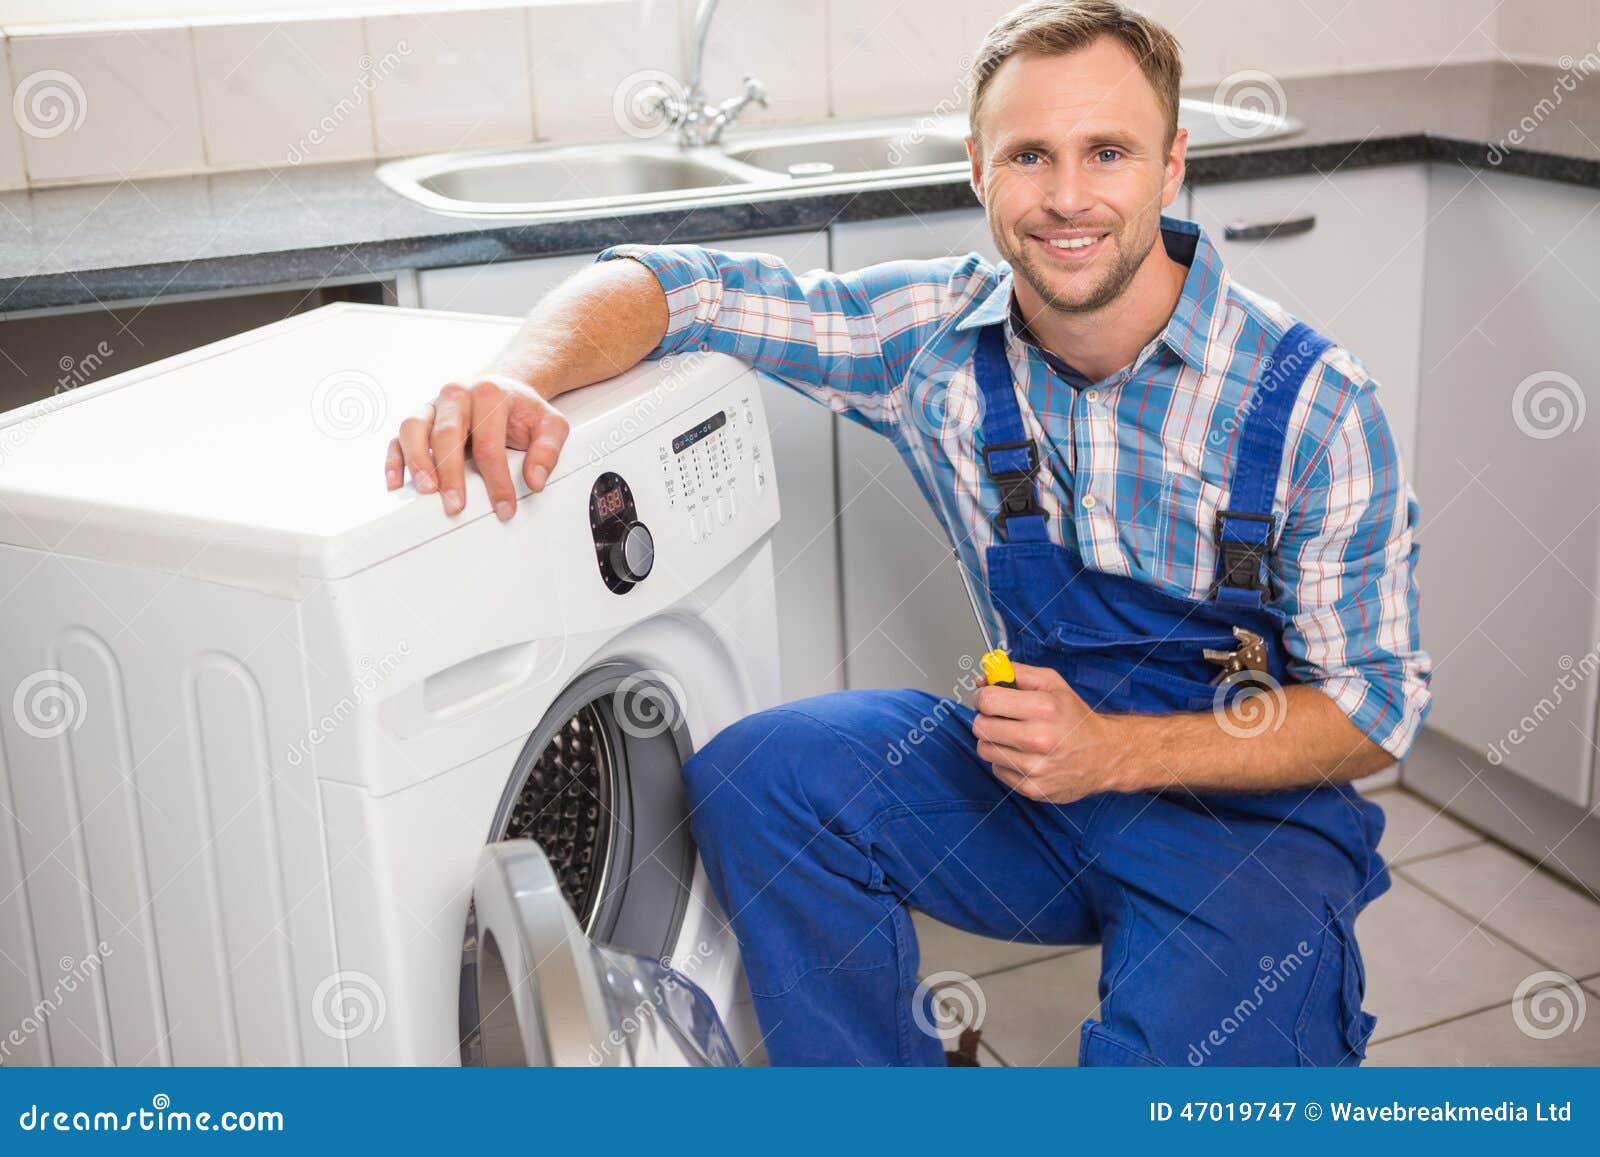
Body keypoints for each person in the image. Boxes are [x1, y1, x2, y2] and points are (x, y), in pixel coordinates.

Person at [385, 0, 1429, 1067]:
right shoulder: (934, 341)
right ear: (978, 168)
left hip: (1241, 828)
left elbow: (1376, 708)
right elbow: (676, 285)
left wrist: (1111, 749)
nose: (1066, 197)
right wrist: (513, 377)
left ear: (1170, 167)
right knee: (761, 778)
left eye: (1106, 152)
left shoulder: (1309, 405)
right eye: (1029, 155)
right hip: (1038, 799)